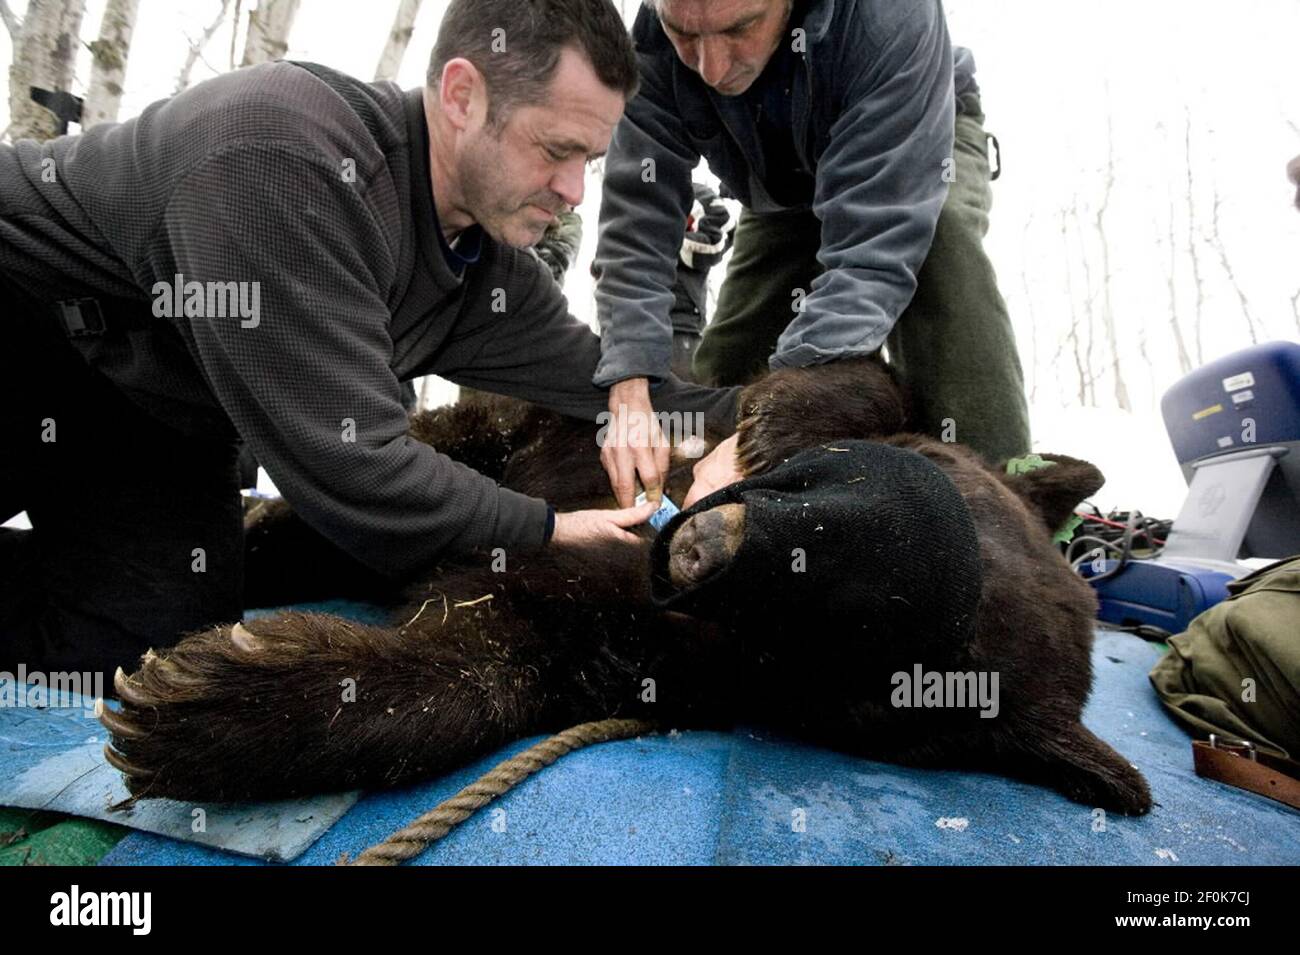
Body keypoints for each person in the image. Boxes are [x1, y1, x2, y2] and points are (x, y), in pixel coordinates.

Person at [0, 0, 736, 675]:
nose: (575, 191)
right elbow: (356, 472)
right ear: (461, 95)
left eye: (590, 162)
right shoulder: (286, 157)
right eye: (556, 150)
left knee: (149, 652)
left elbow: (600, 377)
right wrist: (548, 529)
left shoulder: (481, 266)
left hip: (143, 411)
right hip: (26, 321)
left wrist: (771, 424)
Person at [594, 0, 1031, 507]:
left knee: (940, 250)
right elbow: (637, 218)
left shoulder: (887, 17)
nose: (711, 68)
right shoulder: (652, 38)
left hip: (912, 148)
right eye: (684, 35)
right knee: (734, 366)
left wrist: (779, 424)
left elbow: (872, 254)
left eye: (740, 29)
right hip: (781, 188)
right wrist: (630, 378)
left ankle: (1011, 503)